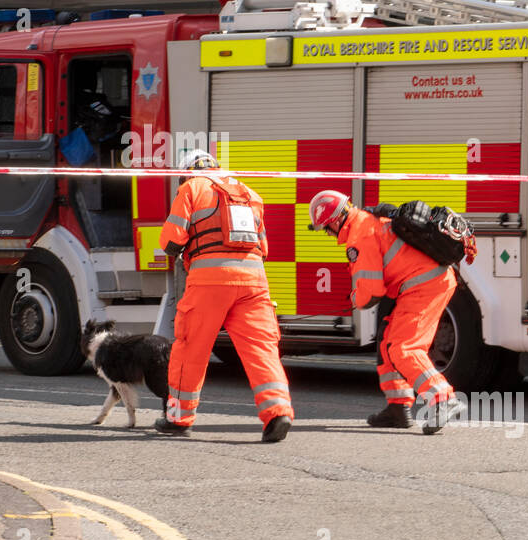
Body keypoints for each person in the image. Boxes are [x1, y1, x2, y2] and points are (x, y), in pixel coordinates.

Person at [156, 150, 294, 443]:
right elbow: (264, 247)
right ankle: (278, 413)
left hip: (209, 281)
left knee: (191, 347)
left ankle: (179, 417)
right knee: (262, 350)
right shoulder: (249, 192)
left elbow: (171, 239)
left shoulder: (191, 187)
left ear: (187, 172)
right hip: (254, 282)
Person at [309, 190, 462, 434]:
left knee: (404, 348)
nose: (328, 234)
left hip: (424, 286)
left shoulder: (359, 236)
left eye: (327, 228)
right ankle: (398, 407)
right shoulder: (367, 220)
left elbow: (370, 293)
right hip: (426, 283)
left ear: (336, 220)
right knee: (387, 343)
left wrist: (354, 299)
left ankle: (442, 399)